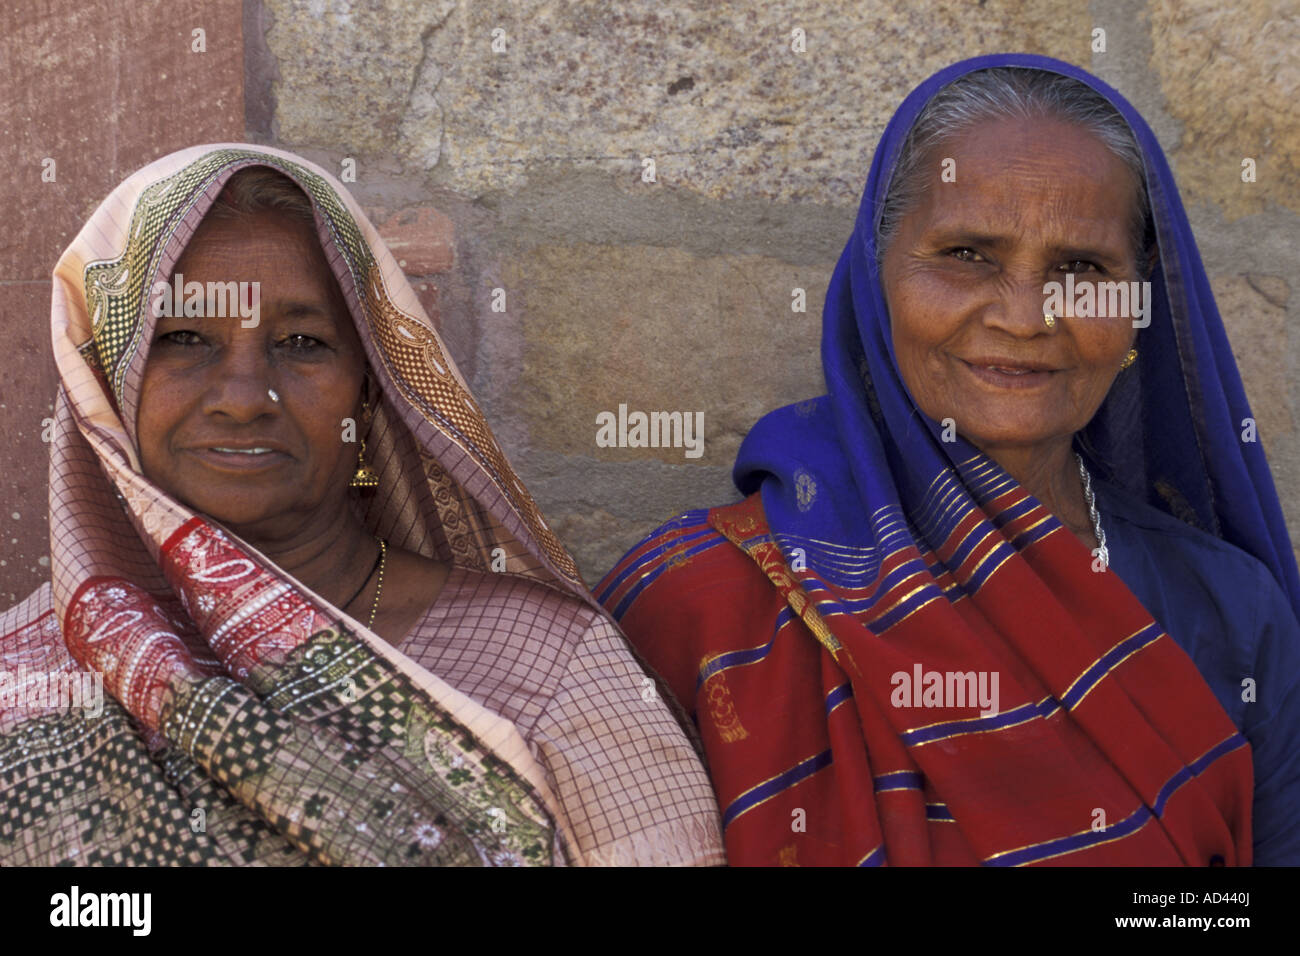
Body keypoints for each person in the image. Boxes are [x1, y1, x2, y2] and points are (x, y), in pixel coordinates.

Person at [597, 54, 1300, 866]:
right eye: (968, 254)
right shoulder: (701, 605)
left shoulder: (1231, 612)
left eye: (1083, 269)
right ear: (875, 274)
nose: (1026, 316)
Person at [0, 144, 724, 866]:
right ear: (107, 384)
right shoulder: (21, 682)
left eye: (302, 344)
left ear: (370, 391)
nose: (246, 398)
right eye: (185, 337)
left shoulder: (551, 665)